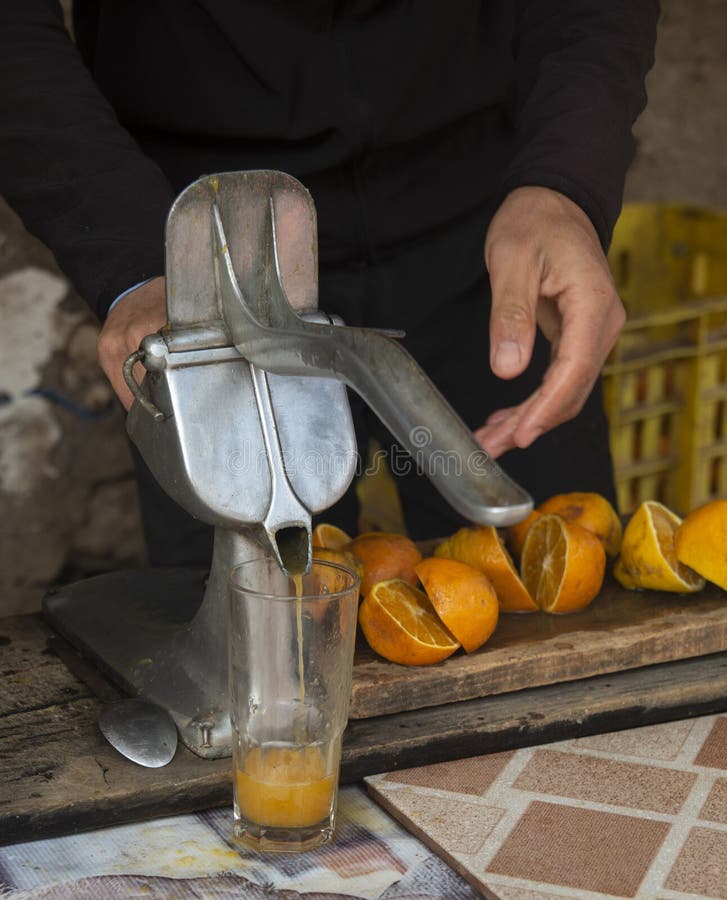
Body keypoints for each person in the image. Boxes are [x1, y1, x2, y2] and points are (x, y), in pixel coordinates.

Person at [0, 1, 659, 565]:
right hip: (204, 261)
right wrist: (130, 253)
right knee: (249, 634)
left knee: (552, 568)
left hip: (488, 228)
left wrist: (566, 178)